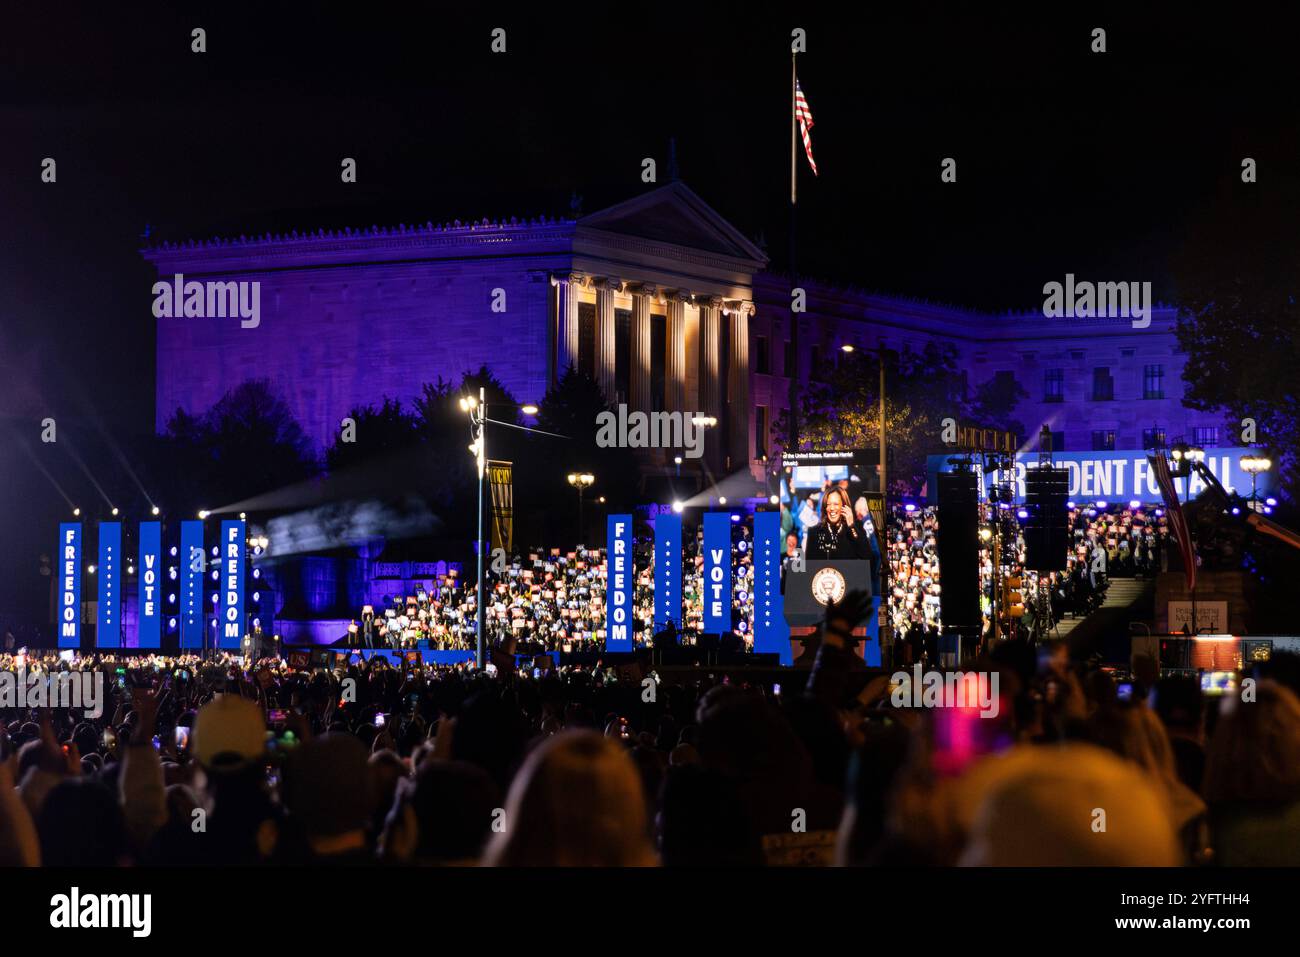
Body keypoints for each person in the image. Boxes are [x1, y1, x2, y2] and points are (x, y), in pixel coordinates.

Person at [806, 487, 871, 561]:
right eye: (828, 504)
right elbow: (810, 568)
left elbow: (867, 556)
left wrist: (851, 526)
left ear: (844, 506)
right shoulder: (814, 532)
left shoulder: (856, 528)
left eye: (836, 504)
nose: (832, 508)